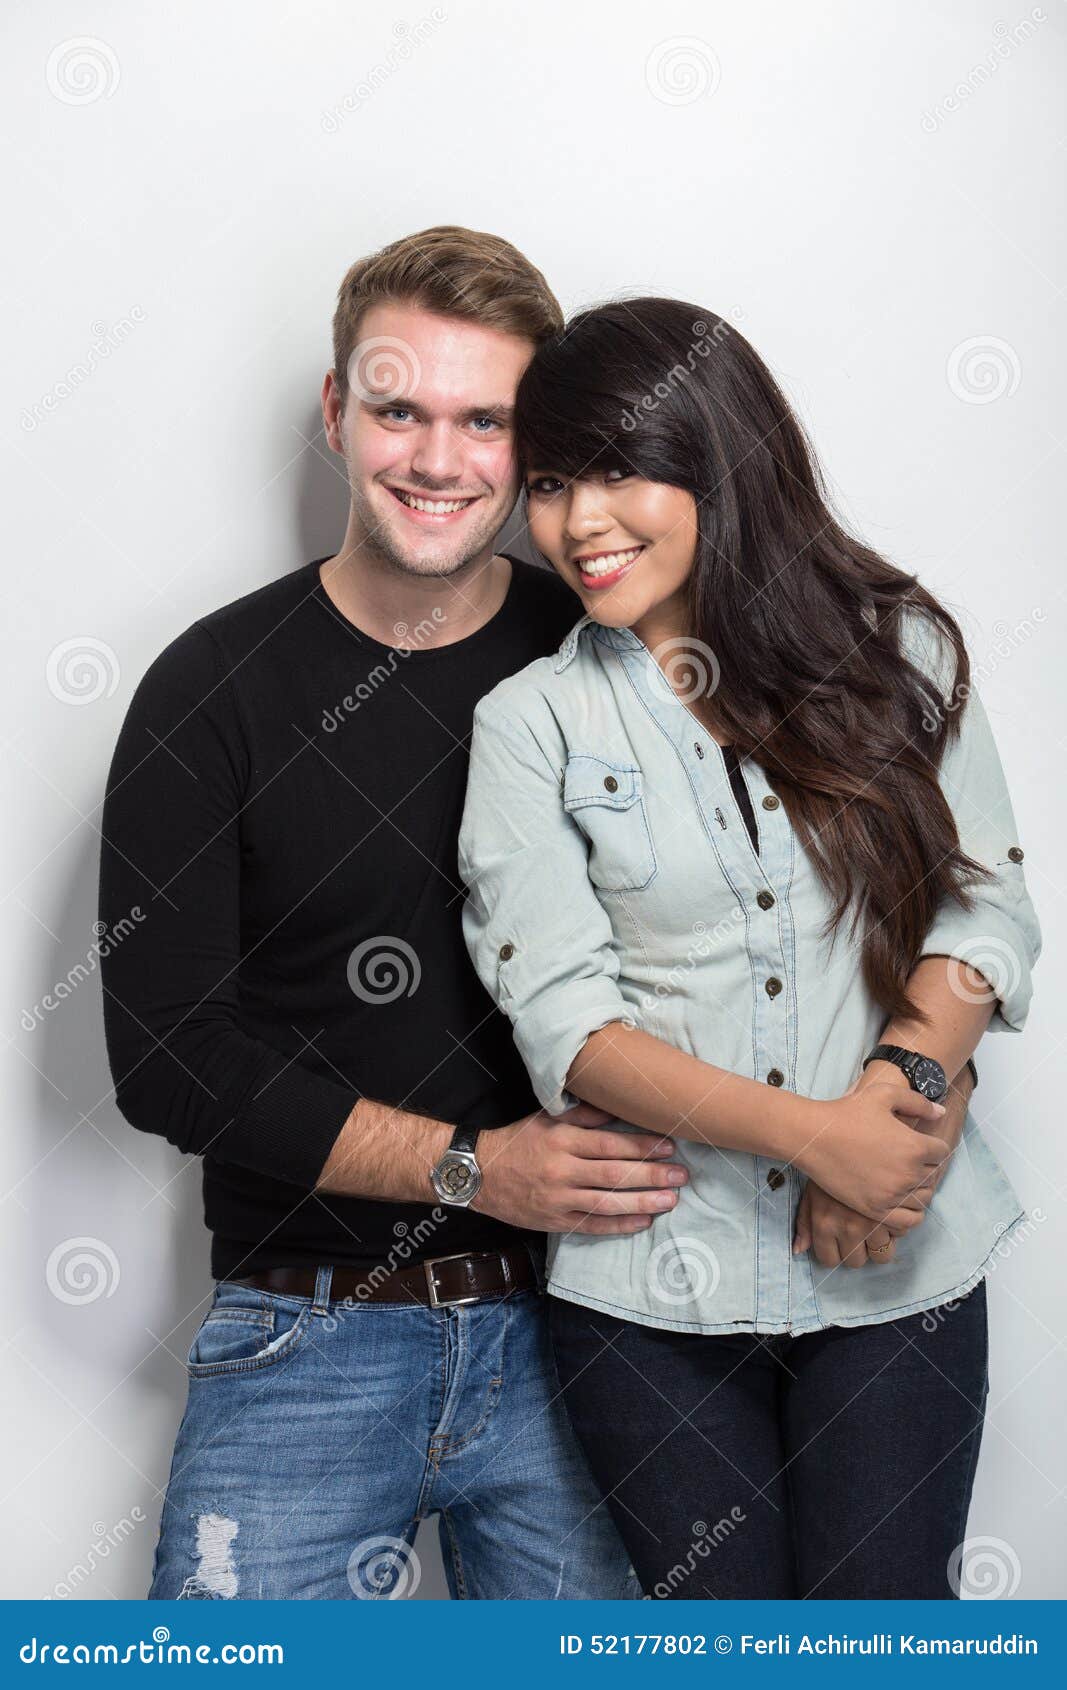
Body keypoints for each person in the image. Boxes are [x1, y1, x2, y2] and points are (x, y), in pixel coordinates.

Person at [98, 228, 661, 1601]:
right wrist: (477, 1169)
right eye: (400, 408)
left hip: (593, 1332)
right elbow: (169, 1055)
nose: (436, 456)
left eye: (487, 421)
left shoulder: (605, 666)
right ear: (337, 412)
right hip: (303, 1338)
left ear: (535, 448)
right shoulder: (210, 687)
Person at [457, 296, 1042, 1599]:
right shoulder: (530, 724)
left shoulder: (899, 646)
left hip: (903, 1259)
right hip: (651, 1295)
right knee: (720, 1651)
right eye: (549, 483)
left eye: (616, 466)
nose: (580, 521)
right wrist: (811, 1137)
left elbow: (983, 904)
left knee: (882, 1639)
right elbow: (567, 1022)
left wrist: (897, 1098)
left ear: (715, 452)